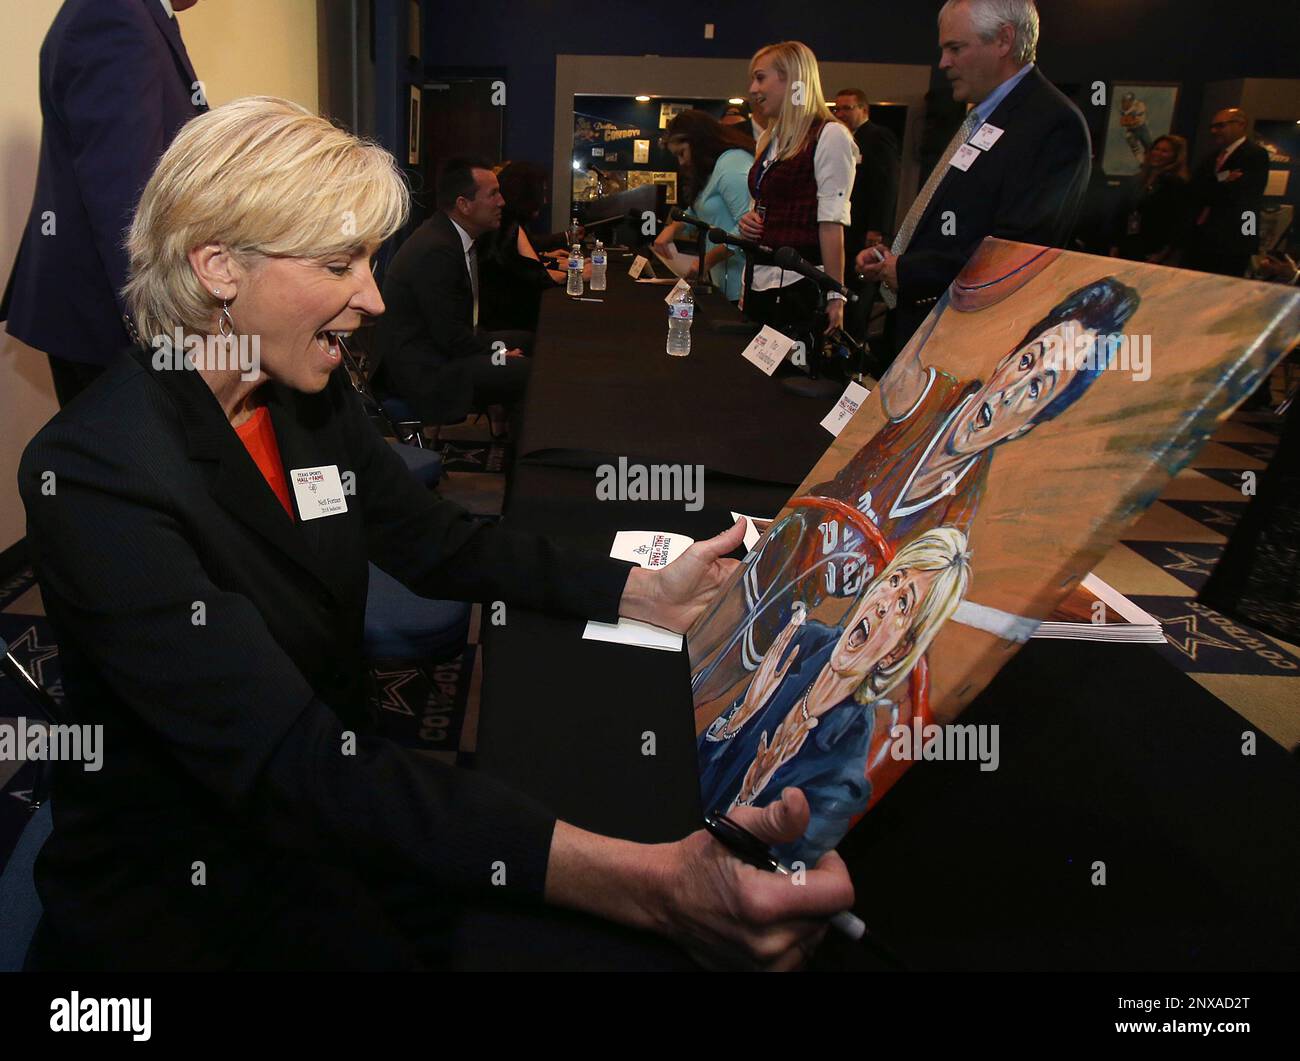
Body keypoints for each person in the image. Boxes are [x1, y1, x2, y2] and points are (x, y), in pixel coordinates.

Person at [17, 97, 854, 972]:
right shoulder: (96, 474)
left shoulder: (302, 392)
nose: (373, 297)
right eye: (341, 263)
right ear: (219, 266)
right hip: (185, 888)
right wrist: (654, 884)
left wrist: (638, 589)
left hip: (327, 813)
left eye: (370, 261)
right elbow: (290, 762)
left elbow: (434, 540)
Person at [699, 526, 970, 864]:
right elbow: (692, 767)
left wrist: (747, 796)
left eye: (904, 604)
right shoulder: (802, 643)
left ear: (898, 652)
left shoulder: (843, 769)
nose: (885, 603)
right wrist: (736, 721)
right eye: (895, 580)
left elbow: (755, 870)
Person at [855, 0, 1091, 363]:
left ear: (1003, 41)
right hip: (925, 331)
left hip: (970, 346)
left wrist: (908, 270)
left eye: (955, 48)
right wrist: (898, 261)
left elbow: (1014, 253)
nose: (944, 63)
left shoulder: (1052, 124)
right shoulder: (984, 115)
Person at [0, 0, 206, 407]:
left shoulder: (136, 13)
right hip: (111, 323)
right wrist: (164, 342)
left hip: (105, 316)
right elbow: (127, 201)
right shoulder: (116, 13)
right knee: (132, 468)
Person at [372, 156, 532, 429]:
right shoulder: (437, 250)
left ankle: (505, 427)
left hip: (440, 350)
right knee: (530, 372)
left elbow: (456, 330)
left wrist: (498, 351)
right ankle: (523, 456)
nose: (502, 202)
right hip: (424, 371)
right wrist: (497, 355)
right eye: (493, 194)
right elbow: (451, 337)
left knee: (527, 341)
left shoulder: (447, 235)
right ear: (464, 205)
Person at [737, 41, 859, 357]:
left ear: (790, 79)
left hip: (799, 290)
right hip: (759, 283)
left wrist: (836, 297)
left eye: (760, 78)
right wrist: (749, 222)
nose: (753, 89)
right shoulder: (770, 138)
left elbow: (832, 223)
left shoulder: (830, 135)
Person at [654, 110, 755, 302]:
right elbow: (702, 207)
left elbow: (749, 227)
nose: (681, 162)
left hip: (741, 286)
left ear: (698, 142)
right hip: (723, 282)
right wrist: (674, 228)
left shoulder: (732, 164)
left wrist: (707, 260)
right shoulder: (714, 168)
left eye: (682, 153)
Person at [832, 88, 901, 344]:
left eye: (847, 108)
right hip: (847, 231)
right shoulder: (842, 138)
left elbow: (886, 186)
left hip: (866, 233)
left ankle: (853, 350)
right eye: (837, 109)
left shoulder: (877, 137)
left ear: (864, 110)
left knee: (860, 296)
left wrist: (877, 230)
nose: (841, 114)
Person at [477, 160, 569, 334]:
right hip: (505, 324)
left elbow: (524, 266)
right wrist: (578, 272)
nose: (544, 200)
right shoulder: (507, 226)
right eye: (541, 192)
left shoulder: (507, 223)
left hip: (498, 318)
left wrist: (556, 263)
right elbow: (537, 276)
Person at [1184, 108, 1270, 278]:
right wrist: (1223, 181)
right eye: (1212, 127)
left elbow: (1247, 197)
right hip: (1203, 236)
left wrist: (1248, 239)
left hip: (1232, 240)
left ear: (1240, 125)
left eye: (1220, 126)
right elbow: (1196, 189)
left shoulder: (1254, 154)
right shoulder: (1211, 157)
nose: (1214, 131)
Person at [1108, 134, 1192, 264]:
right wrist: (1116, 244)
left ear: (1175, 156)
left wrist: (1162, 254)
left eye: (1164, 151)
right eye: (1156, 149)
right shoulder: (1139, 179)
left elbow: (1179, 224)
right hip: (1129, 245)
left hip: (1152, 251)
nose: (1158, 153)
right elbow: (1124, 213)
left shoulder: (1176, 184)